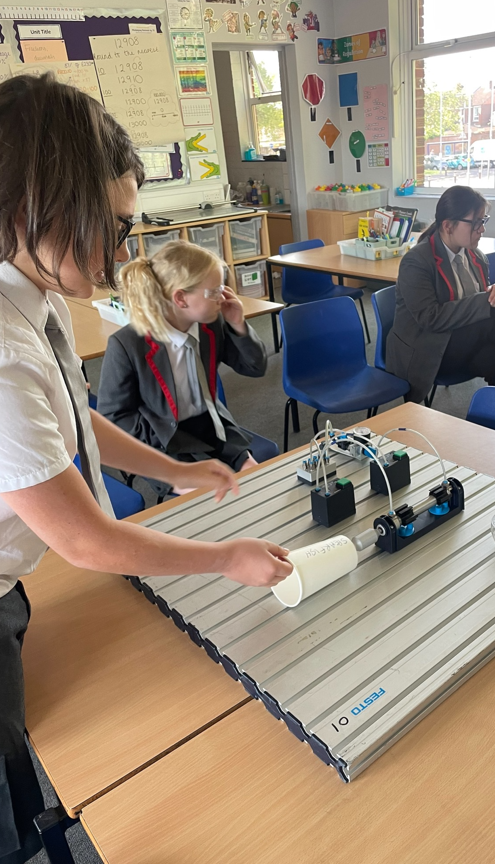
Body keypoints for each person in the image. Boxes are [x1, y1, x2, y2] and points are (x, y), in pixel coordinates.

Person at [0, 74, 292, 864]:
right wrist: (224, 558)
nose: (123, 252)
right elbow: (88, 543)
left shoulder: (42, 290)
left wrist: (180, 469)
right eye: (115, 225)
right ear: (40, 205)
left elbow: (73, 417)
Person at [97, 241, 267, 496]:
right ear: (180, 298)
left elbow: (255, 367)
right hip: (165, 440)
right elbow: (114, 417)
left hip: (212, 425)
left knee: (253, 479)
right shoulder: (127, 344)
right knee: (207, 498)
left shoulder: (211, 323)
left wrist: (238, 324)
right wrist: (168, 472)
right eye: (214, 292)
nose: (222, 297)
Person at [386, 185, 495, 404]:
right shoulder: (417, 261)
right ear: (448, 225)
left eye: (483, 220)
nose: (482, 229)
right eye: (476, 222)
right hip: (428, 348)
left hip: (464, 340)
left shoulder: (476, 256)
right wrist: (489, 301)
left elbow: (476, 300)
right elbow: (430, 318)